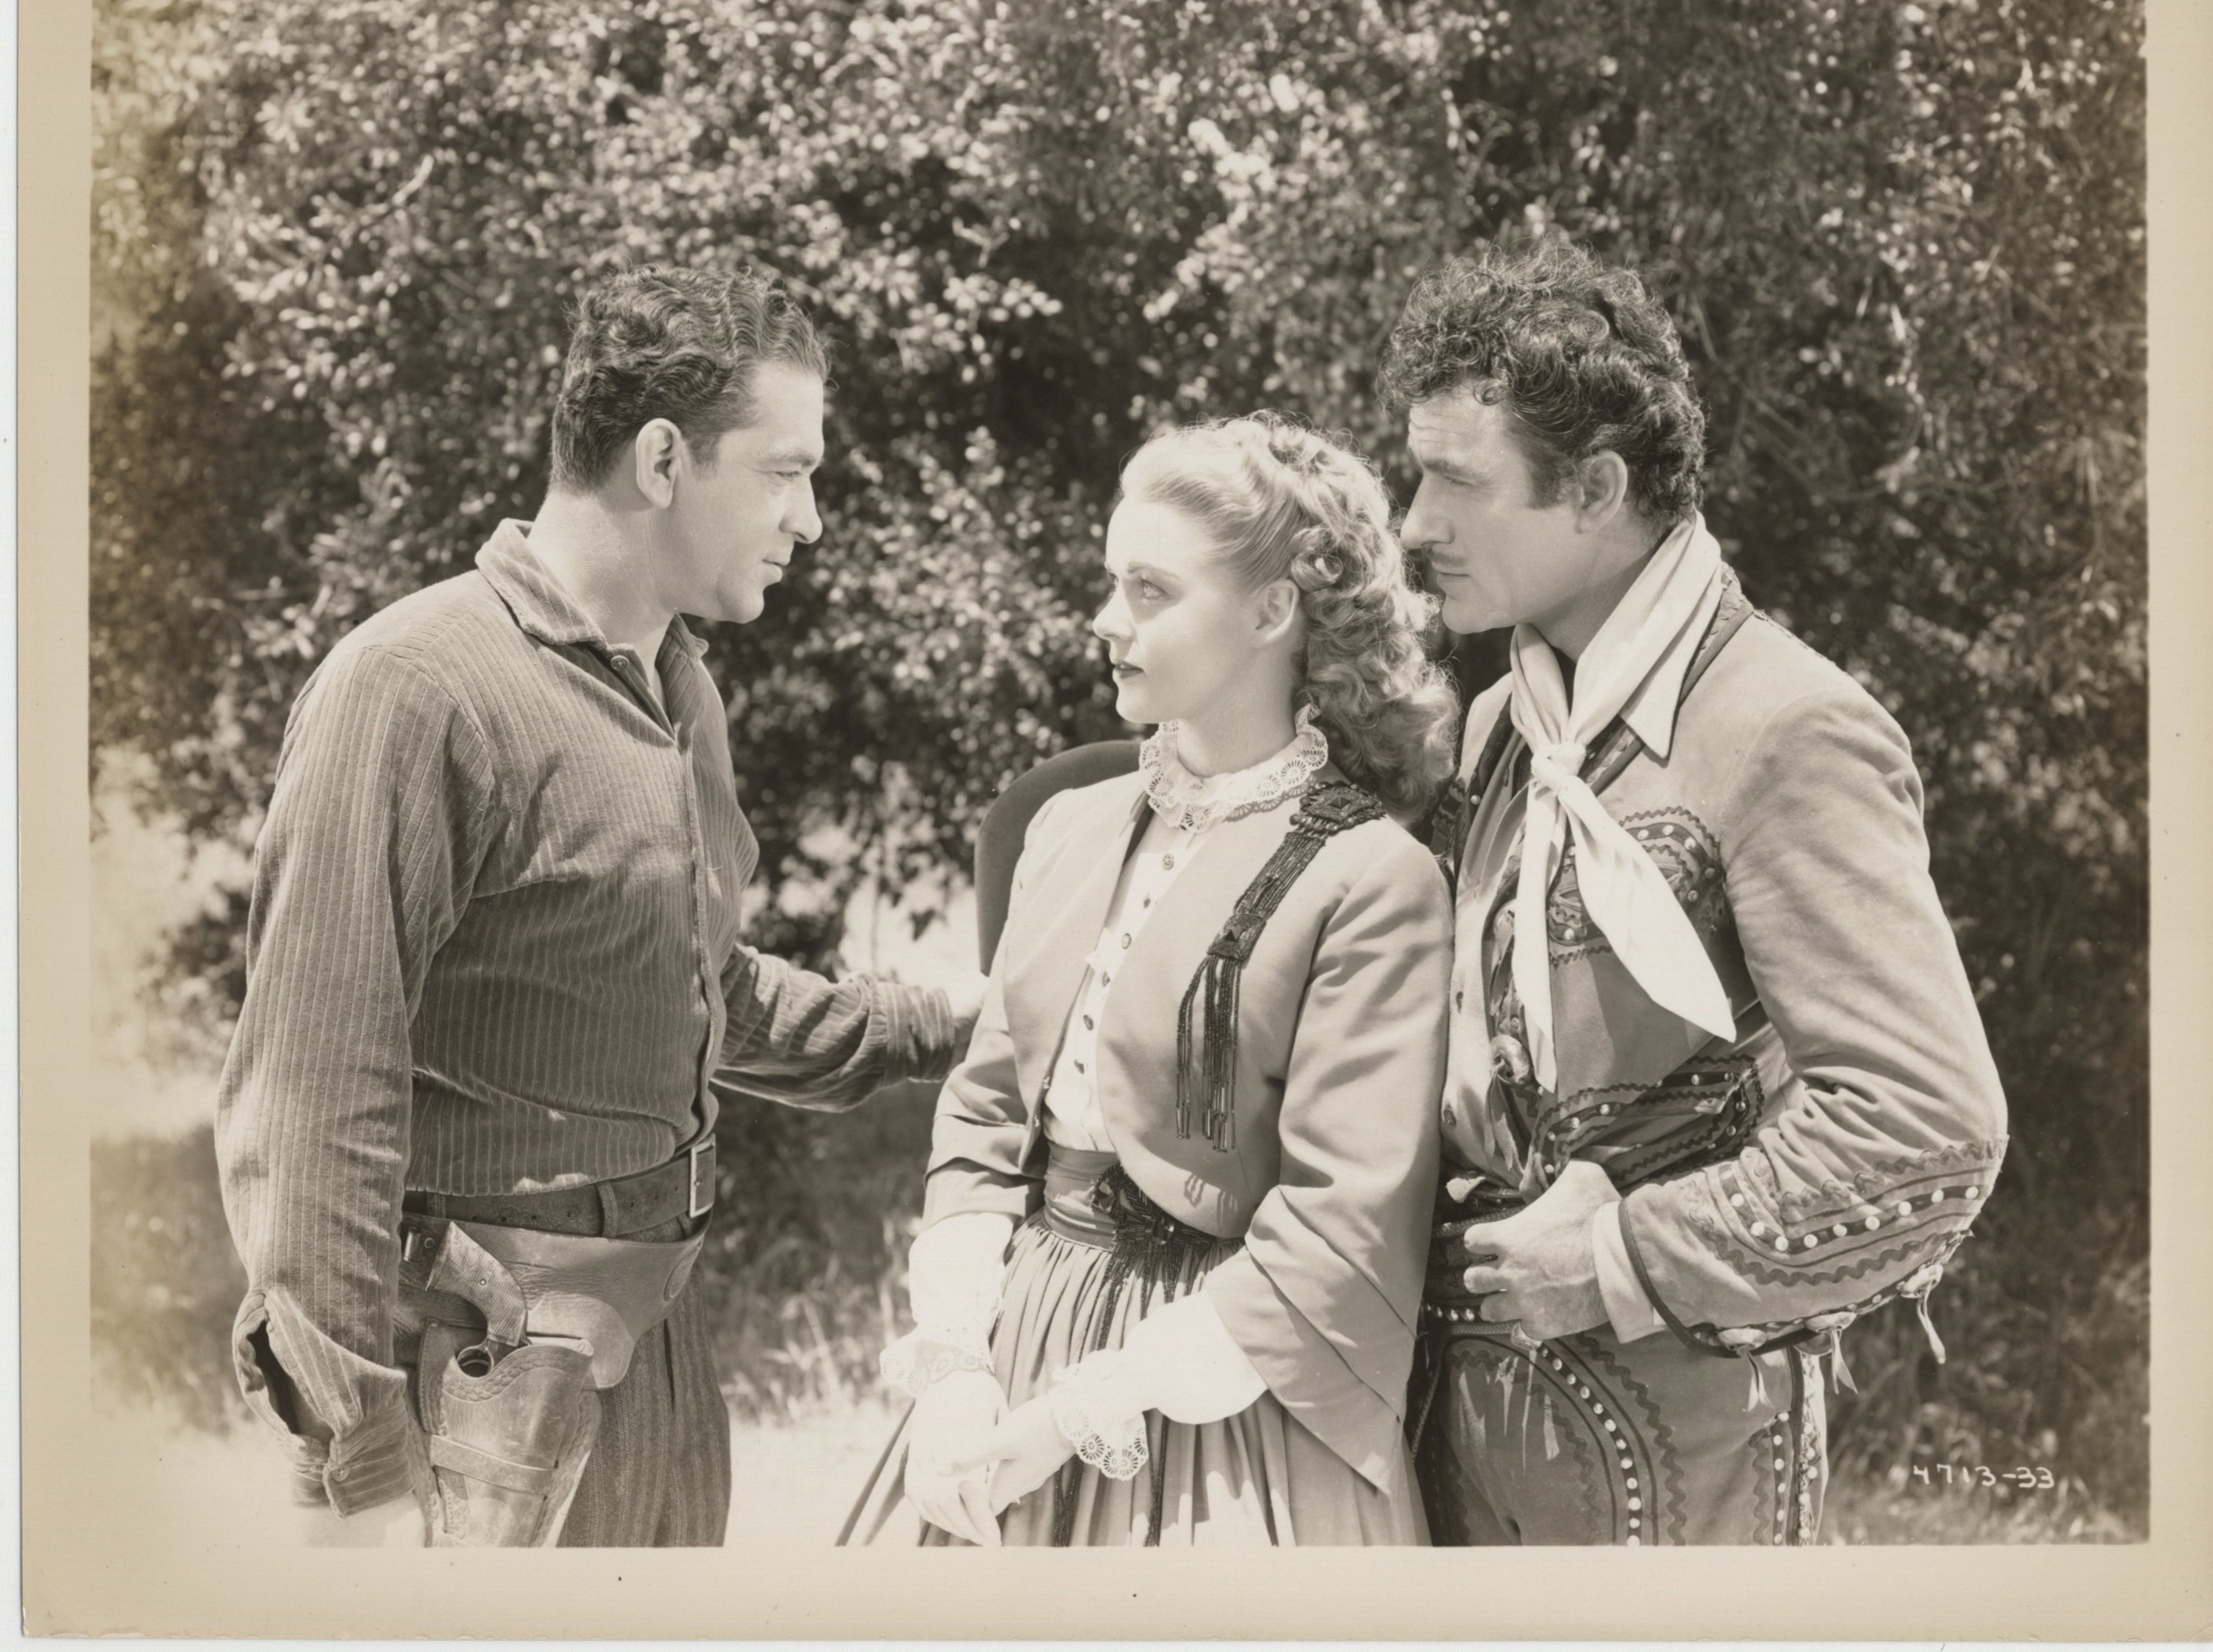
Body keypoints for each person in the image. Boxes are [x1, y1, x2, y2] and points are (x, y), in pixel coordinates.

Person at [215, 265, 973, 1549]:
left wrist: (944, 1023)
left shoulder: (676, 682)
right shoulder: (412, 687)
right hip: (469, 1378)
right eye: (785, 471)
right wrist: (360, 1471)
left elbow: (691, 989)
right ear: (666, 457)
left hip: (652, 1355)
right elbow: (310, 1096)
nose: (813, 519)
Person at [1389, 233, 2009, 1546]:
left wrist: (1622, 1256)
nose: (1414, 524)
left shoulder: (1788, 725)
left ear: (1597, 486)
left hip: (1691, 1472)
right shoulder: (1507, 721)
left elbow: (1927, 1126)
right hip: (1463, 1460)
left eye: (1455, 480)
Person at [840, 416, 1457, 1546]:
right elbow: (982, 1118)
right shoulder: (1067, 826)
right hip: (1012, 1343)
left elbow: (1341, 1226)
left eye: (1149, 590)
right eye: (1110, 581)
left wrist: (1076, 1415)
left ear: (1272, 613)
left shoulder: (1369, 874)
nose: (1106, 620)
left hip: (1213, 1393)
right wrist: (954, 1373)